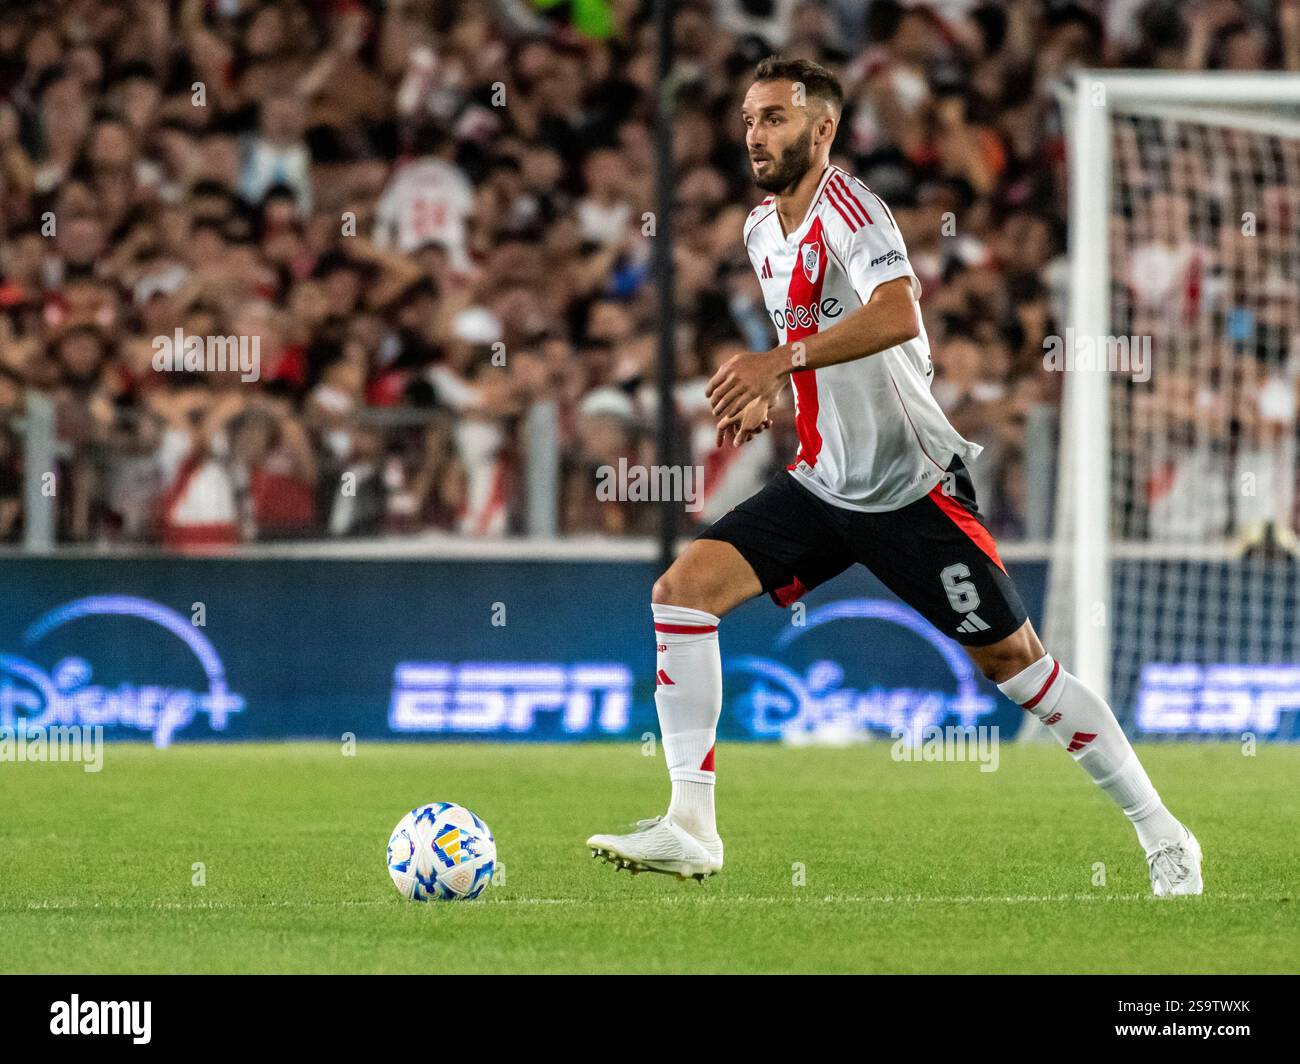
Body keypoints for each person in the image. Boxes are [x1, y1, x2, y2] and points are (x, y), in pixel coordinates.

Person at [586, 57, 1202, 897]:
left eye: (772, 118)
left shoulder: (852, 206)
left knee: (1020, 668)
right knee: (682, 590)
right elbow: (818, 345)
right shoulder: (761, 231)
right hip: (823, 481)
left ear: (822, 129)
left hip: (912, 489)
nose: (754, 135)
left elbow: (897, 311)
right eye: (748, 119)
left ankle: (1164, 833)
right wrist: (774, 394)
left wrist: (776, 361)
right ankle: (691, 823)